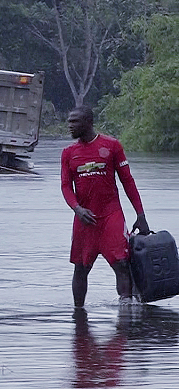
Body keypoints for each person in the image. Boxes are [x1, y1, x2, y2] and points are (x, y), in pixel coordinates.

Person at [61, 105, 149, 308]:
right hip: (85, 219)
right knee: (80, 268)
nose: (70, 126)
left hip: (111, 216)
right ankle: (78, 314)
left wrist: (140, 214)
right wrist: (77, 209)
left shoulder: (112, 146)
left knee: (122, 265)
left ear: (88, 122)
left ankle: (126, 311)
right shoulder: (68, 153)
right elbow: (65, 186)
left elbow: (128, 181)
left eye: (74, 122)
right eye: (69, 121)